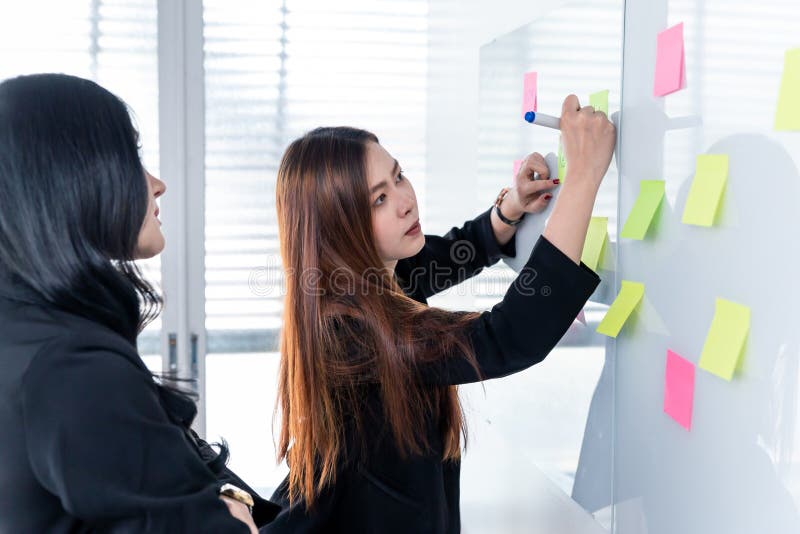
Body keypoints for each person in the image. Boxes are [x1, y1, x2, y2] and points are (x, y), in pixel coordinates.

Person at [265, 94, 616, 532]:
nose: (405, 200)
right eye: (378, 199)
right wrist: (583, 177)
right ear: (339, 228)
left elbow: (449, 255)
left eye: (398, 176)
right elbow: (508, 336)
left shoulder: (373, 279)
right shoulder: (354, 331)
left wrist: (510, 210)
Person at [0, 73, 277, 533]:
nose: (158, 184)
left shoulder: (26, 333)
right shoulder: (75, 368)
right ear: (72, 179)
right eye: (133, 158)